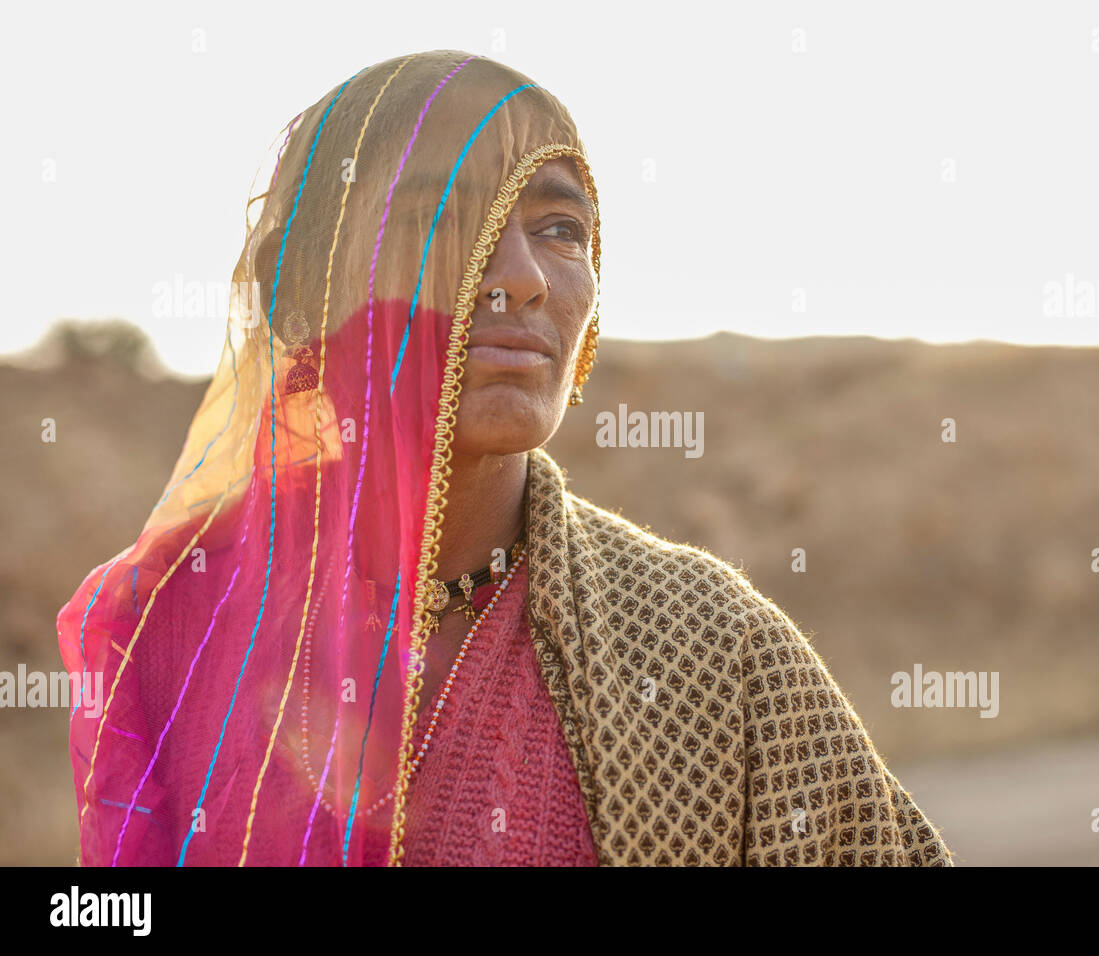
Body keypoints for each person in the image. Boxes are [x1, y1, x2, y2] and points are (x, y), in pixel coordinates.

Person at [56, 50, 952, 866]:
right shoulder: (165, 620)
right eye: (443, 215)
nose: (518, 273)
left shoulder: (714, 653)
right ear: (303, 290)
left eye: (561, 227)